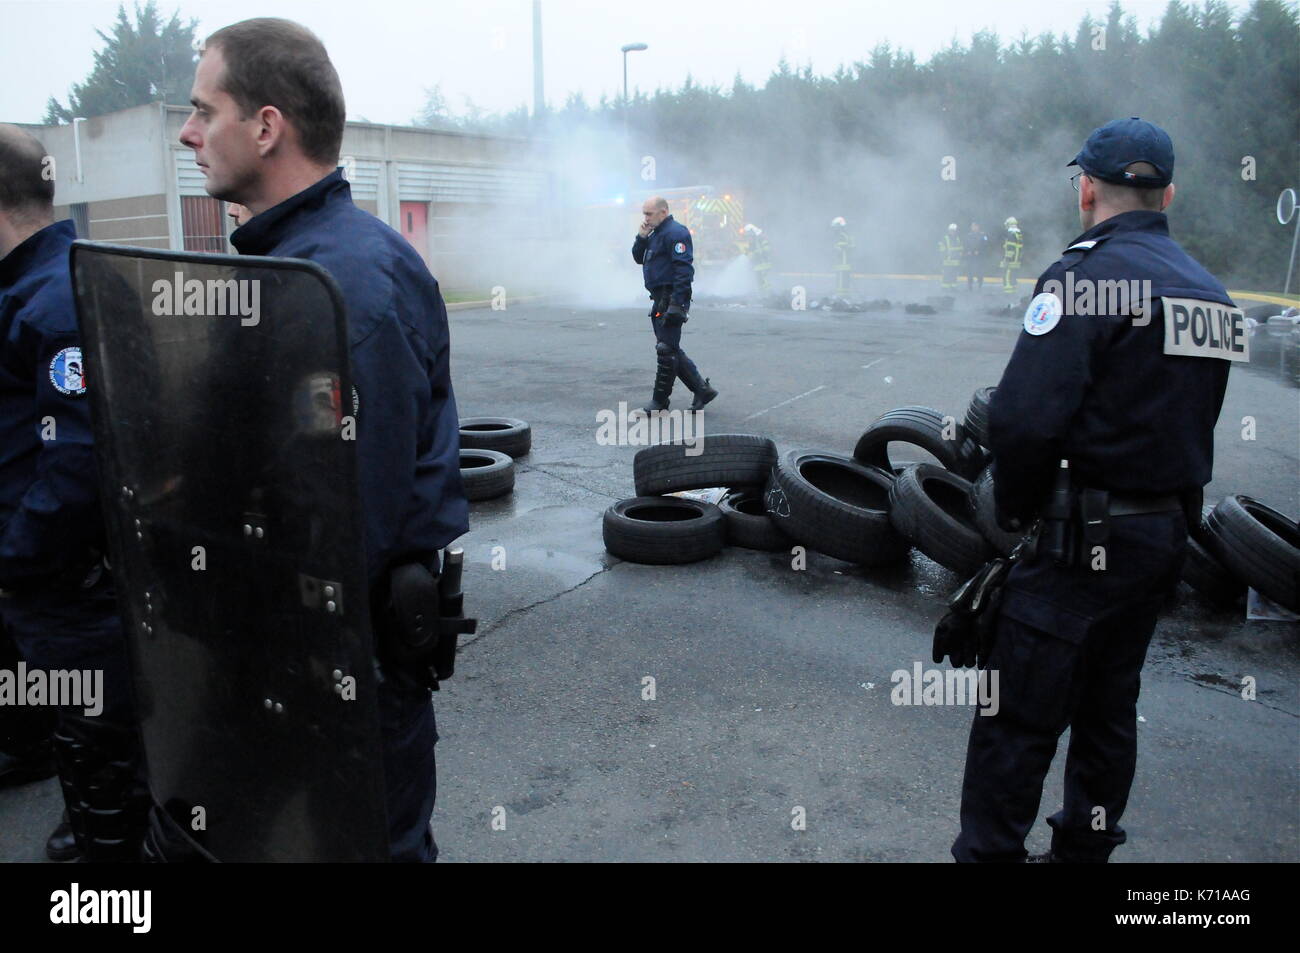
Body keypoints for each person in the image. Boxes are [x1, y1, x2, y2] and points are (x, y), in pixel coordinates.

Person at [179, 17, 467, 862]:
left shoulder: (344, 286)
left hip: (343, 665)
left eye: (204, 110)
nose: (189, 134)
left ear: (267, 127)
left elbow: (346, 524)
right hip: (282, 651)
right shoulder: (288, 261)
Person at [952, 118, 1242, 862]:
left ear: (1085, 189)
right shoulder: (1211, 294)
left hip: (1079, 540)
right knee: (1110, 711)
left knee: (1018, 717)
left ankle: (989, 856)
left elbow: (1022, 419)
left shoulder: (1083, 278)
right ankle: (1083, 852)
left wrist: (1013, 513)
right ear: (1168, 193)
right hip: (1158, 541)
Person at [0, 124, 148, 862]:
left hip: (69, 591)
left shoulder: (55, 298)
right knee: (69, 735)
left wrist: (13, 556)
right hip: (52, 587)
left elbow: (79, 466)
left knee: (104, 784)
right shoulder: (38, 282)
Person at [632, 196, 715, 413]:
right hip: (659, 298)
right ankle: (702, 390)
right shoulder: (655, 234)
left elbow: (684, 270)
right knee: (671, 349)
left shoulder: (676, 233)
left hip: (671, 298)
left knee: (665, 350)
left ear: (663, 211)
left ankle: (659, 402)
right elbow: (638, 258)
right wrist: (641, 238)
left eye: (649, 214)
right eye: (644, 214)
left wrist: (678, 304)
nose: (646, 218)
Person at [742, 223, 772, 293]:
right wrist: (747, 254)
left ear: (752, 235)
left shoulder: (760, 240)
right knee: (760, 283)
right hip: (757, 267)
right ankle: (763, 295)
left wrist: (756, 253)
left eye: (749, 237)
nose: (748, 238)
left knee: (765, 282)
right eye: (747, 237)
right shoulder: (752, 243)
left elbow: (767, 249)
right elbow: (750, 254)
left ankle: (769, 294)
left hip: (764, 265)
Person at [999, 216, 1024, 294]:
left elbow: (1010, 248)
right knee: (1013, 275)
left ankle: (1008, 292)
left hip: (1011, 260)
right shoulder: (1018, 234)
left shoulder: (1011, 234)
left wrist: (1007, 258)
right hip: (1017, 259)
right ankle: (1013, 290)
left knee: (1007, 275)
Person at [830, 217, 854, 294]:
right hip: (844, 263)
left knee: (841, 282)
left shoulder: (842, 236)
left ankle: (841, 297)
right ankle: (843, 296)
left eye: (835, 227)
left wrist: (835, 248)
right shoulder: (846, 235)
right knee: (844, 282)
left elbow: (840, 248)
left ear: (839, 226)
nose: (834, 229)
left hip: (843, 263)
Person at [965, 222, 989, 290]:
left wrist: (979, 251)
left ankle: (980, 284)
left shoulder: (983, 235)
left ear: (978, 227)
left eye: (975, 226)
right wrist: (968, 251)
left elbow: (985, 244)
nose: (974, 228)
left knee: (979, 271)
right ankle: (970, 285)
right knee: (970, 271)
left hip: (979, 256)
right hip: (970, 256)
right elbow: (966, 244)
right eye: (972, 226)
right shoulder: (969, 235)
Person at [938, 223, 962, 290]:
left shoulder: (957, 238)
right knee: (946, 274)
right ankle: (945, 287)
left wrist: (960, 254)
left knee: (954, 274)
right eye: (951, 230)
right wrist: (944, 257)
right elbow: (942, 248)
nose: (953, 232)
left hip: (955, 260)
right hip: (947, 260)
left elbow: (960, 247)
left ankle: (953, 286)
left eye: (954, 230)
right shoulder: (945, 238)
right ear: (949, 230)